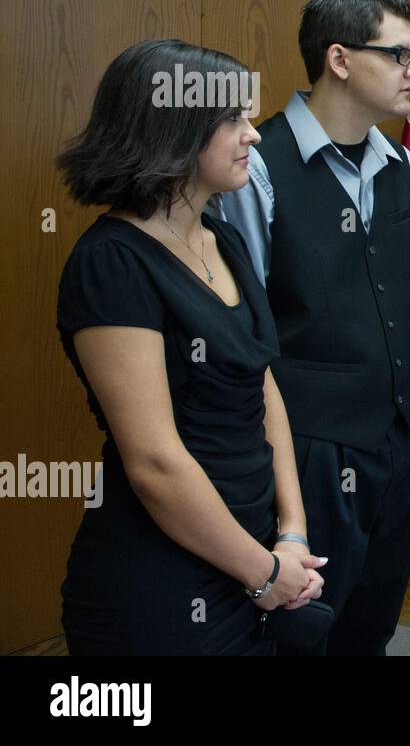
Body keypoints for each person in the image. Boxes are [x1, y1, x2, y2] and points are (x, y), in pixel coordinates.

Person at [55, 39, 325, 655]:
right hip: (162, 583)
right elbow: (155, 464)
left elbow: (263, 388)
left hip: (256, 558)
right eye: (232, 120)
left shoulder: (221, 237)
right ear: (173, 128)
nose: (252, 136)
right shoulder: (111, 265)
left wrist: (290, 532)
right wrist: (262, 573)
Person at [217, 0, 410, 655]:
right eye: (398, 53)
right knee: (304, 632)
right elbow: (245, 332)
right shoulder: (257, 165)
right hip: (310, 451)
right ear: (340, 59)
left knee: (370, 627)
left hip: (403, 444)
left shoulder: (401, 164)